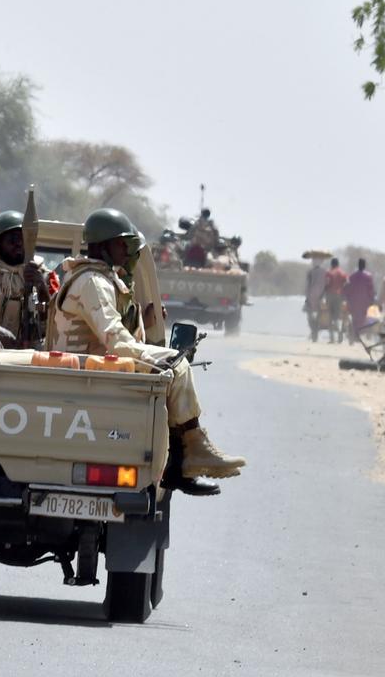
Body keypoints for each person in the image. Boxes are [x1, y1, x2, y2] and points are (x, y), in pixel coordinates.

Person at [47, 208, 245, 496]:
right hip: (82, 374)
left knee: (168, 367)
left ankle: (182, 464)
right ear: (103, 245)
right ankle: (189, 457)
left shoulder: (103, 279)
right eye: (122, 244)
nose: (127, 251)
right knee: (175, 366)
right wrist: (161, 357)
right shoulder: (93, 282)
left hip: (90, 370)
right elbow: (115, 340)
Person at [0, 210, 58, 349]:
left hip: (31, 353)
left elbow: (54, 326)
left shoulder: (44, 276)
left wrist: (42, 289)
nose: (19, 244)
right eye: (12, 239)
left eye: (22, 239)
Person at [342, 258, 376, 343]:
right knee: (363, 318)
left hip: (353, 301)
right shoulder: (368, 276)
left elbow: (347, 288)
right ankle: (358, 335)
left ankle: (354, 335)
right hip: (364, 301)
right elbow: (371, 290)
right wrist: (372, 300)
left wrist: (347, 297)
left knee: (354, 318)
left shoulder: (352, 276)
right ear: (364, 266)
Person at [303, 254, 328, 343]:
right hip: (320, 298)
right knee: (316, 317)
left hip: (312, 297)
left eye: (315, 260)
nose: (314, 262)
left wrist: (307, 296)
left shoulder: (311, 272)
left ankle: (314, 333)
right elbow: (326, 285)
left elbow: (307, 286)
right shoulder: (324, 272)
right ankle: (315, 333)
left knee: (311, 317)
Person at [323, 257, 348, 343]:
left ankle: (332, 338)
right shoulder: (342, 273)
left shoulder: (329, 273)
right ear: (338, 264)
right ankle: (340, 333)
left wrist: (323, 294)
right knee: (337, 317)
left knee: (330, 317)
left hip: (330, 295)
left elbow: (326, 284)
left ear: (331, 264)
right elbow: (347, 284)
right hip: (339, 296)